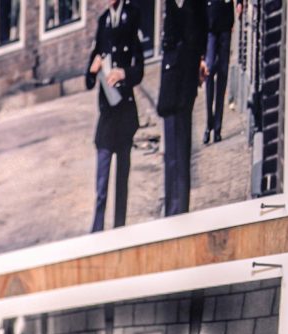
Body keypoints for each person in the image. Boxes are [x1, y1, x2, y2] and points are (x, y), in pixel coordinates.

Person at [86, 0, 147, 234]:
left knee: (122, 181)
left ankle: (119, 232)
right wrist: (92, 69)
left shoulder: (132, 15)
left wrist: (124, 73)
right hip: (107, 115)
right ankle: (97, 232)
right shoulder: (102, 21)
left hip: (124, 113)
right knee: (101, 184)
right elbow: (89, 79)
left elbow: (139, 69)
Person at [158, 0, 210, 218]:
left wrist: (201, 60)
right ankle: (171, 209)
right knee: (171, 152)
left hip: (186, 77)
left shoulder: (195, 5)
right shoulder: (169, 4)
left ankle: (180, 210)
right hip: (171, 79)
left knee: (182, 149)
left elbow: (202, 31)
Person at [205, 0, 237, 144]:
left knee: (222, 74)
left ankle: (217, 128)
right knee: (209, 71)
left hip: (225, 22)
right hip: (210, 24)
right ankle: (208, 123)